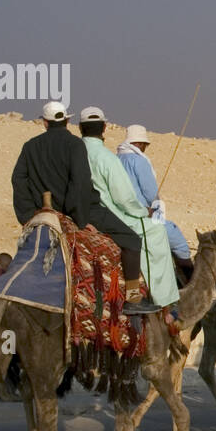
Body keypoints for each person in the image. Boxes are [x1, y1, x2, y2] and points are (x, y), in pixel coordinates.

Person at [11, 102, 158, 314]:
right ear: (68, 121)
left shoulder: (29, 146)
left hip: (41, 212)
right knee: (133, 240)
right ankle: (133, 299)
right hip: (81, 210)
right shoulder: (74, 145)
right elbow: (79, 183)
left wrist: (27, 215)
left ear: (44, 122)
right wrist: (80, 219)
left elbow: (18, 180)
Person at [78, 107, 178, 312]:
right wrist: (144, 212)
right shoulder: (106, 158)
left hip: (83, 209)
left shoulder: (76, 152)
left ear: (80, 127)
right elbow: (123, 198)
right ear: (104, 127)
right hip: (110, 212)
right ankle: (158, 299)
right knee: (156, 231)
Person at [116, 124, 193, 280]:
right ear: (140, 143)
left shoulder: (117, 159)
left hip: (120, 215)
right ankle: (190, 282)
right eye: (145, 145)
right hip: (141, 215)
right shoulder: (139, 161)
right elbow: (150, 193)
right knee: (178, 241)